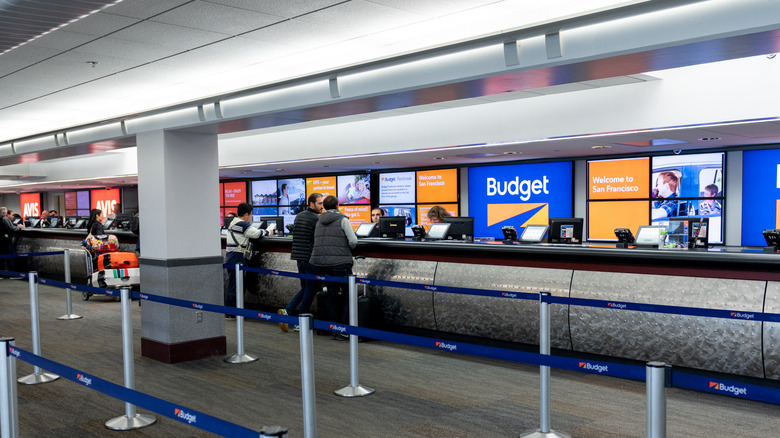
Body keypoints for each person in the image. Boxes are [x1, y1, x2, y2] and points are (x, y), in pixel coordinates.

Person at [309, 195, 358, 340]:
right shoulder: (343, 219)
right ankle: (344, 329)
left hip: (324, 264)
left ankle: (335, 329)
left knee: (331, 295)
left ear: (324, 207)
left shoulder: (319, 220)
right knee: (349, 295)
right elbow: (353, 241)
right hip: (341, 263)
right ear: (337, 206)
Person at [278, 193, 324, 332]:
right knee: (310, 289)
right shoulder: (317, 218)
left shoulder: (299, 216)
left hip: (299, 258)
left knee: (305, 288)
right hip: (311, 258)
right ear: (311, 204)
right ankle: (300, 321)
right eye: (319, 203)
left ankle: (287, 311)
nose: (322, 206)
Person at [224, 202, 273, 318]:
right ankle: (231, 312)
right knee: (235, 286)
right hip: (236, 258)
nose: (250, 217)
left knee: (234, 284)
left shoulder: (234, 222)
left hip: (232, 257)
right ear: (246, 214)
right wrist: (268, 231)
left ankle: (232, 311)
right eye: (251, 214)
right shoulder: (242, 224)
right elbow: (256, 234)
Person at [0, 207, 24, 273]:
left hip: (1, 241)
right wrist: (19, 227)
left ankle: (2, 273)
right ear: (4, 213)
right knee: (11, 256)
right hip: (6, 241)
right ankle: (12, 273)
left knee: (1, 258)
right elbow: (13, 228)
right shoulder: (5, 218)